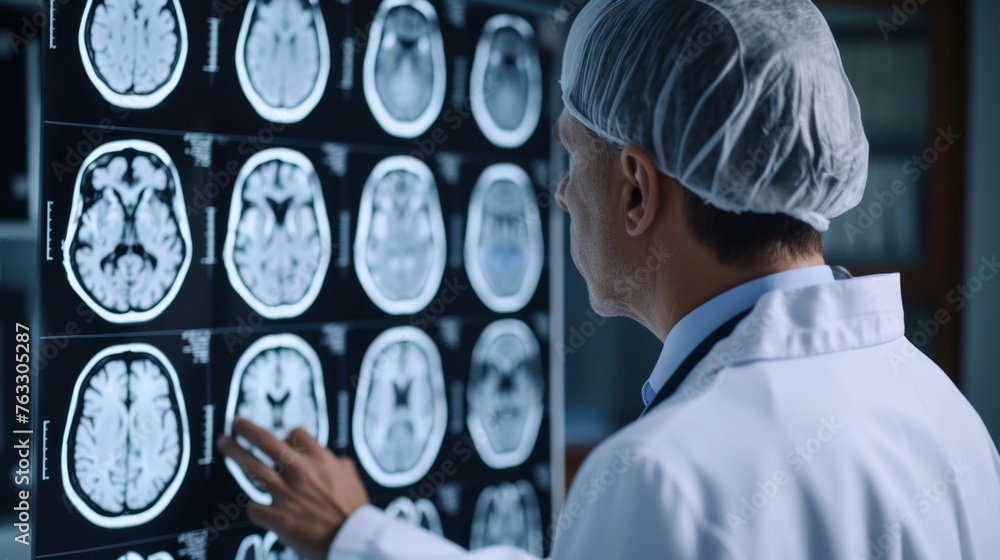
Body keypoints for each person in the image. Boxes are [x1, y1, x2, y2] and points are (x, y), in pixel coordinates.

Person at [218, 0, 1000, 558]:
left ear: (635, 189)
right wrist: (360, 537)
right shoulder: (943, 414)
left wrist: (356, 539)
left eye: (571, 154)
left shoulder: (661, 479)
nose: (560, 193)